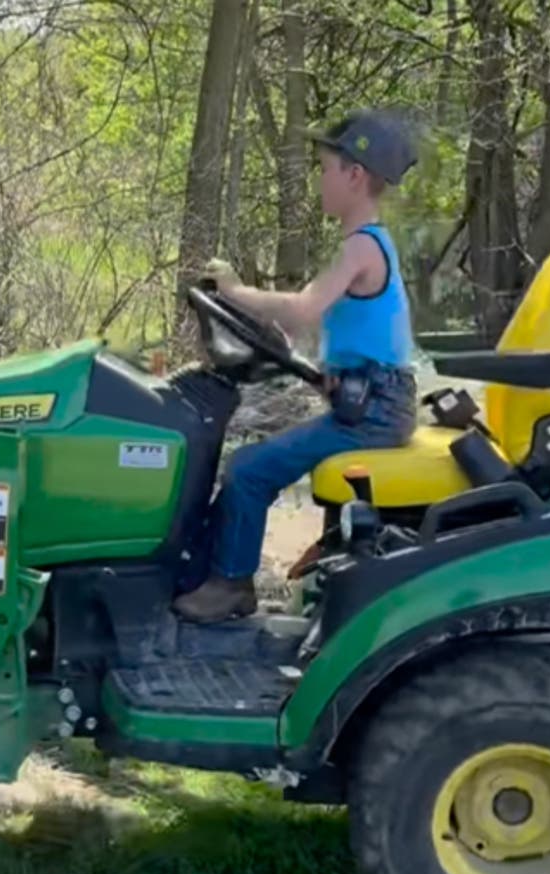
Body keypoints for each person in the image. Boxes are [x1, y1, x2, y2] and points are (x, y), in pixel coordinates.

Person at [173, 111, 420, 624]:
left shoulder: (362, 247)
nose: (318, 180)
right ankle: (203, 569)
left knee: (248, 470)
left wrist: (235, 291)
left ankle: (231, 584)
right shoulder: (368, 244)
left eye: (325, 169)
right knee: (250, 463)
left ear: (355, 175)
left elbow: (305, 307)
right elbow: (336, 330)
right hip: (368, 400)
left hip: (374, 410)